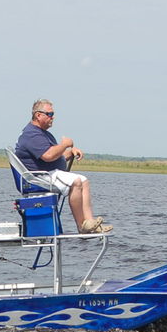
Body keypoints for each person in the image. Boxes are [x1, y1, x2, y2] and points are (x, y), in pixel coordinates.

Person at [15, 99, 112, 234]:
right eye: (49, 114)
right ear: (38, 115)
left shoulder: (42, 133)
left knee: (84, 180)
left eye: (53, 114)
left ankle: (90, 222)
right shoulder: (32, 134)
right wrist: (65, 144)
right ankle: (81, 226)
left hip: (48, 173)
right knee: (75, 182)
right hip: (40, 177)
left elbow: (54, 156)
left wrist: (70, 152)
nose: (52, 117)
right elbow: (48, 155)